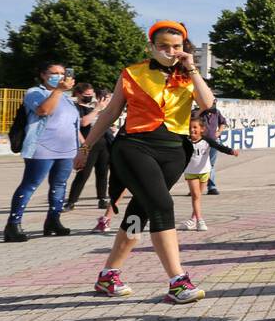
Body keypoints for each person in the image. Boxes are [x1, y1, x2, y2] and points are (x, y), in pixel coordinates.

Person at [77, 22, 215, 302]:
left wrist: (191, 67)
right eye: (163, 46)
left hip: (175, 151)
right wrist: (86, 145)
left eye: (176, 46)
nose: (170, 51)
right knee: (163, 205)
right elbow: (110, 113)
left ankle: (108, 276)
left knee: (140, 212)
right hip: (135, 146)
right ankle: (177, 281)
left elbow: (207, 103)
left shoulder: (188, 75)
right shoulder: (133, 73)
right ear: (151, 47)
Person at [5, 63, 81, 241]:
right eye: (54, 73)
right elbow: (43, 110)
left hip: (66, 150)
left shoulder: (67, 98)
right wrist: (58, 91)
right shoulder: (35, 92)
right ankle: (13, 224)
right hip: (42, 148)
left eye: (62, 73)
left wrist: (83, 147)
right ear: (43, 75)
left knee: (60, 185)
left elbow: (72, 124)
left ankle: (53, 220)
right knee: (30, 184)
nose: (59, 76)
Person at [181, 116, 238, 231]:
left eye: (195, 127)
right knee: (195, 196)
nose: (192, 130)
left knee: (198, 197)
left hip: (204, 172)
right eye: (190, 127)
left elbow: (219, 147)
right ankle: (200, 221)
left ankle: (192, 220)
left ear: (202, 129)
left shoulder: (207, 140)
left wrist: (231, 151)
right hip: (190, 172)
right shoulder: (185, 141)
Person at [64, 84, 111, 210]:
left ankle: (102, 199)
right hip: (86, 145)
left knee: (103, 173)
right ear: (78, 94)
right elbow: (84, 123)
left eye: (91, 95)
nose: (90, 98)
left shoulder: (94, 107)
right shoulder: (74, 107)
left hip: (103, 144)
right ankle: (71, 201)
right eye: (87, 95)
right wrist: (97, 110)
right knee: (83, 173)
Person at [195, 103, 229, 195]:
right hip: (200, 143)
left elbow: (223, 122)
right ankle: (195, 188)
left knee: (211, 165)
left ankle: (211, 187)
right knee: (198, 164)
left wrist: (219, 131)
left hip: (213, 142)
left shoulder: (216, 112)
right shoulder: (197, 112)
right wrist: (202, 109)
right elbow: (193, 119)